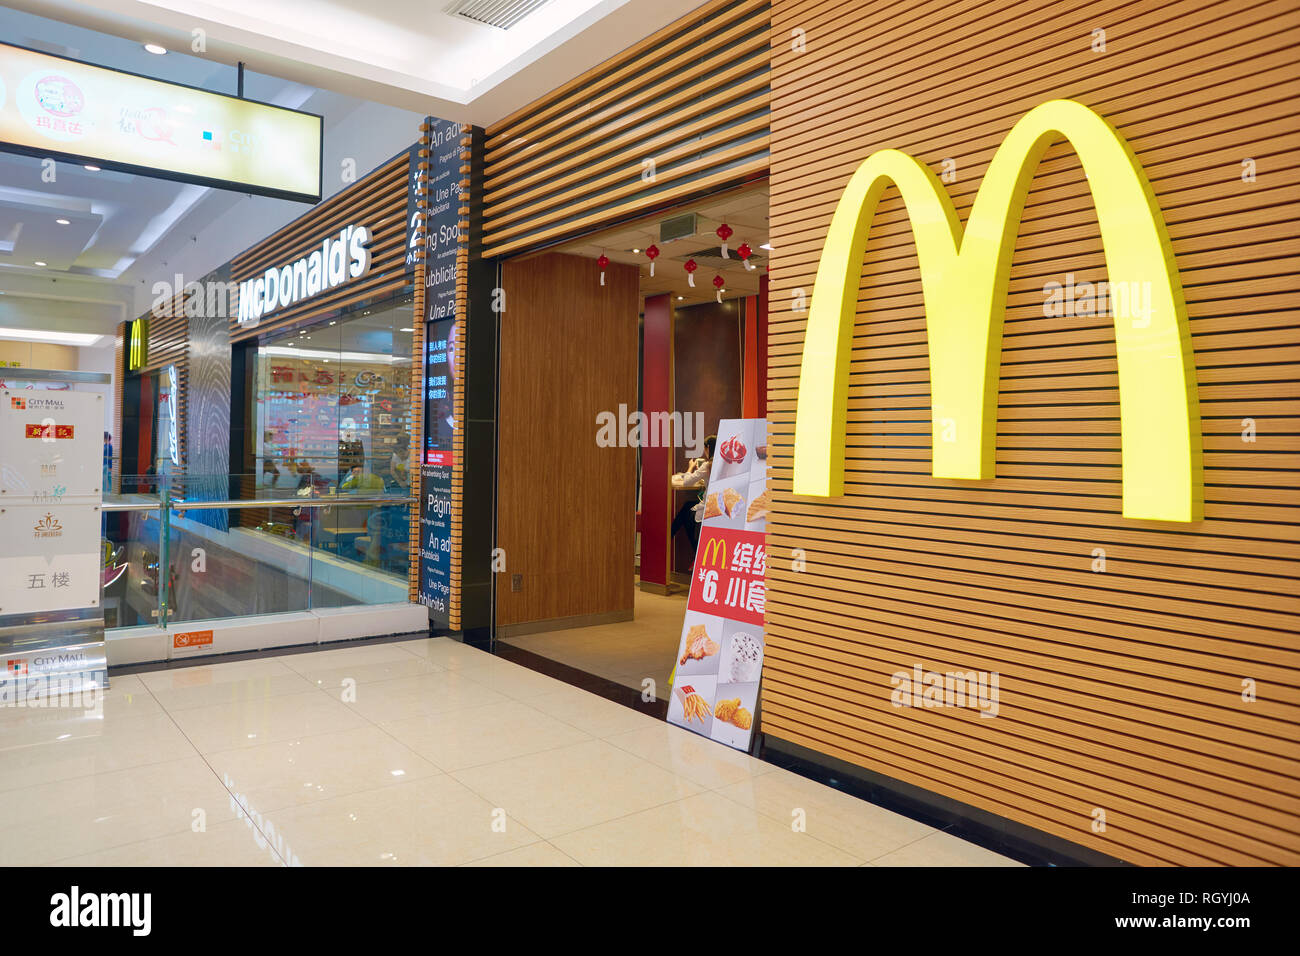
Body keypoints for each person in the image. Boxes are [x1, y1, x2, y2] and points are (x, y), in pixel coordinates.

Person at [670, 434, 715, 550]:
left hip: (708, 510)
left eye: (704, 449)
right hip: (719, 508)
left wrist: (690, 467)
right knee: (688, 506)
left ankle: (694, 550)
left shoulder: (707, 465)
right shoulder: (723, 463)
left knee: (686, 511)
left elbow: (687, 482)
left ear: (708, 448)